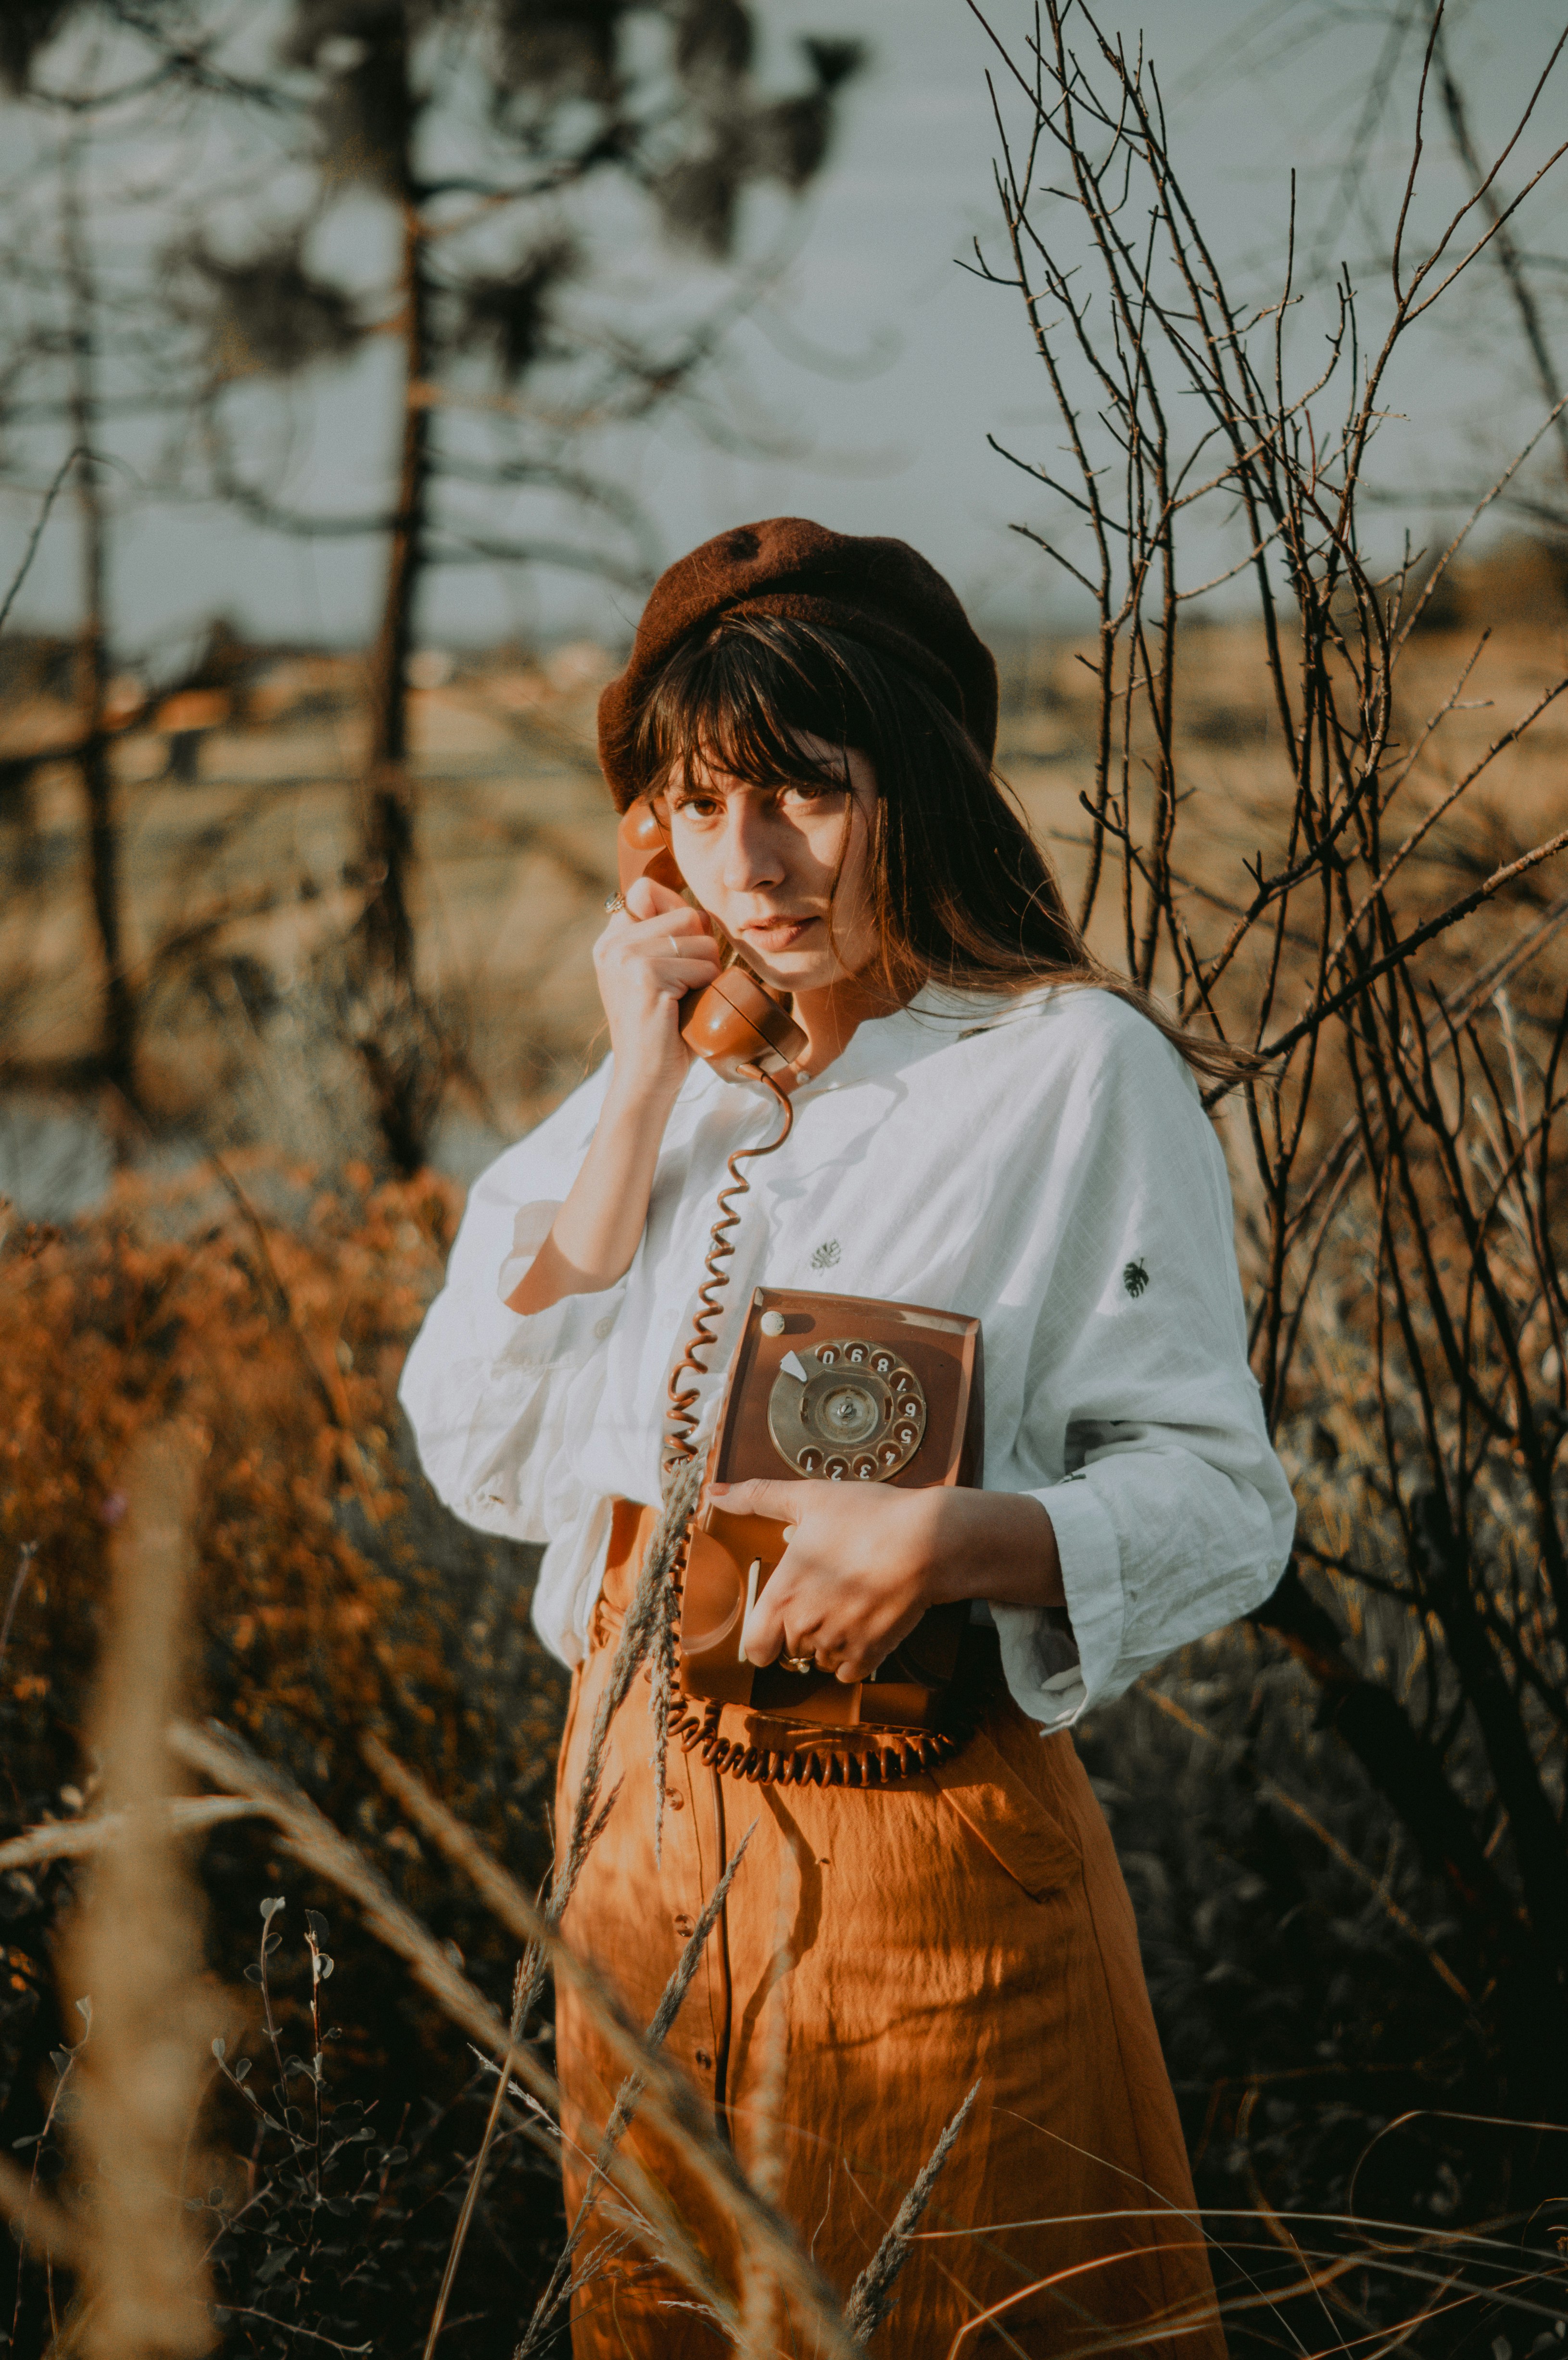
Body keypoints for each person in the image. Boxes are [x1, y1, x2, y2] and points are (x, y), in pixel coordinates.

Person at [401, 518, 1296, 2357]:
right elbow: (475, 1449)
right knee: (663, 2316)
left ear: (917, 781)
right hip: (632, 1814)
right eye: (700, 803)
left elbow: (1223, 1494)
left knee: (972, 2313)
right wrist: (646, 1076)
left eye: (810, 790)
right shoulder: (663, 1081)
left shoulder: (1064, 1066)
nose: (754, 860)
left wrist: (966, 1539)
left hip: (919, 1819)